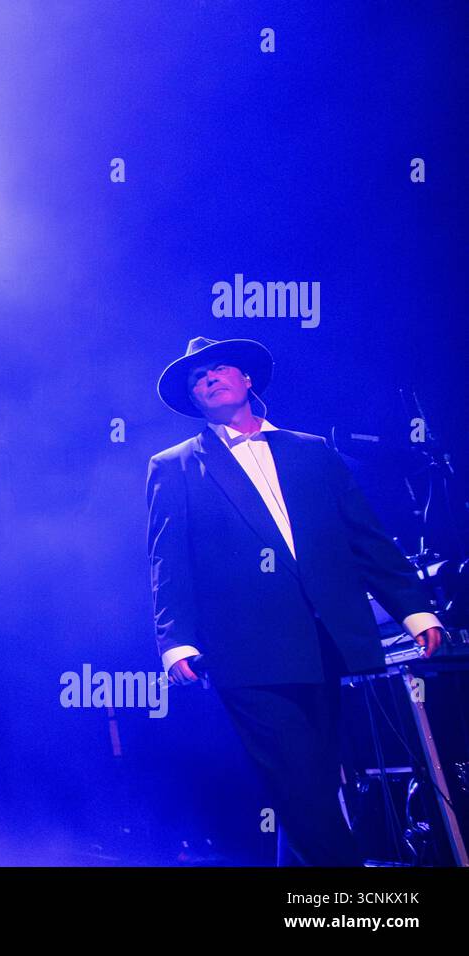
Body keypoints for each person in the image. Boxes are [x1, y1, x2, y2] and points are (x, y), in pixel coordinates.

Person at [146, 336, 445, 865]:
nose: (208, 380)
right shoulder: (175, 466)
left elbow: (365, 537)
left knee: (309, 786)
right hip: (244, 652)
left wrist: (414, 607)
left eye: (218, 370)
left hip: (324, 640)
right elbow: (167, 560)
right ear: (194, 400)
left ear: (247, 381)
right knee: (301, 786)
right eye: (197, 379)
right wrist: (174, 641)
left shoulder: (311, 450)